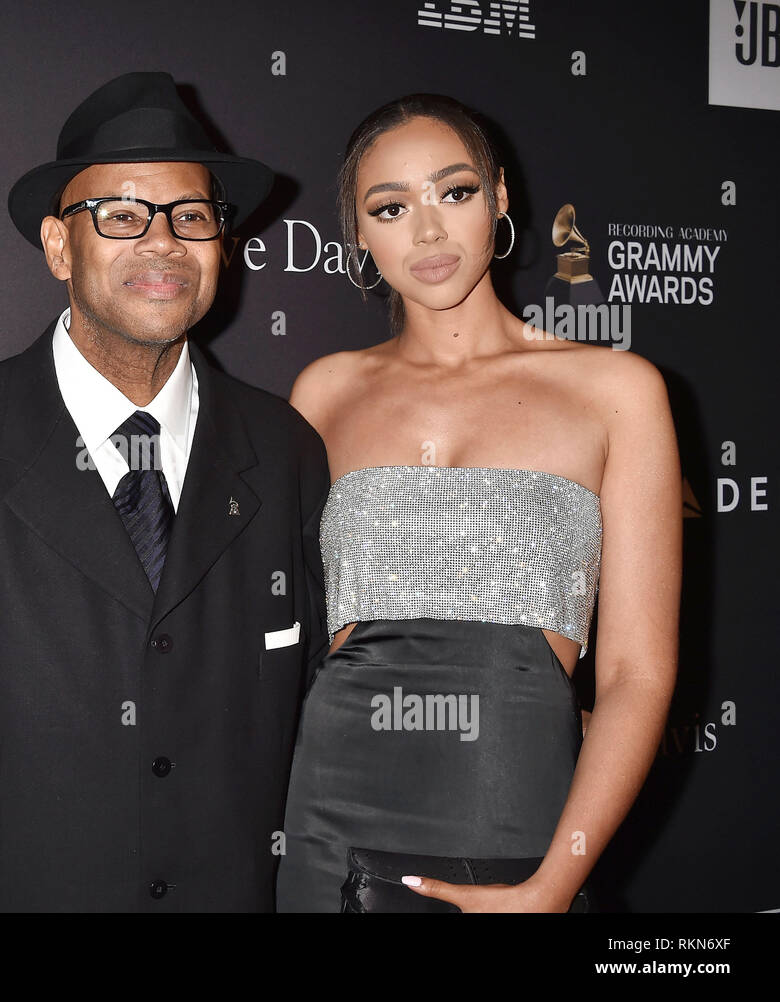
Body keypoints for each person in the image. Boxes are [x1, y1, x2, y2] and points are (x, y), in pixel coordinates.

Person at [0, 72, 329, 911]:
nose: (162, 242)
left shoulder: (285, 450)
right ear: (60, 246)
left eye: (191, 215)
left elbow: (328, 707)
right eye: (121, 215)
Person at [276, 94, 681, 912]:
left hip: (519, 823)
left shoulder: (616, 391)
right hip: (329, 821)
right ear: (358, 234)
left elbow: (638, 675)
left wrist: (556, 882)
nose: (426, 231)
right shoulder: (324, 392)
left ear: (499, 198)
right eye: (391, 207)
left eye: (453, 193)